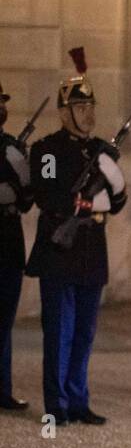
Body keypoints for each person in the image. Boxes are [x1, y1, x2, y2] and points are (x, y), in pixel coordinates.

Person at [26, 47, 128, 426]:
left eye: (91, 106)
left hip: (91, 249)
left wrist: (115, 183)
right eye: (81, 108)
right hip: (59, 247)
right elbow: (49, 195)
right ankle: (57, 404)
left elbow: (117, 203)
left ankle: (78, 398)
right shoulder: (47, 150)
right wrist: (89, 199)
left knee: (84, 333)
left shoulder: (101, 150)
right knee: (59, 333)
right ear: (64, 112)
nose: (89, 114)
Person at [0, 80, 35, 411]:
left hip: (7, 242)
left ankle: (3, 389)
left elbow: (27, 198)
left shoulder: (12, 147)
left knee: (4, 320)